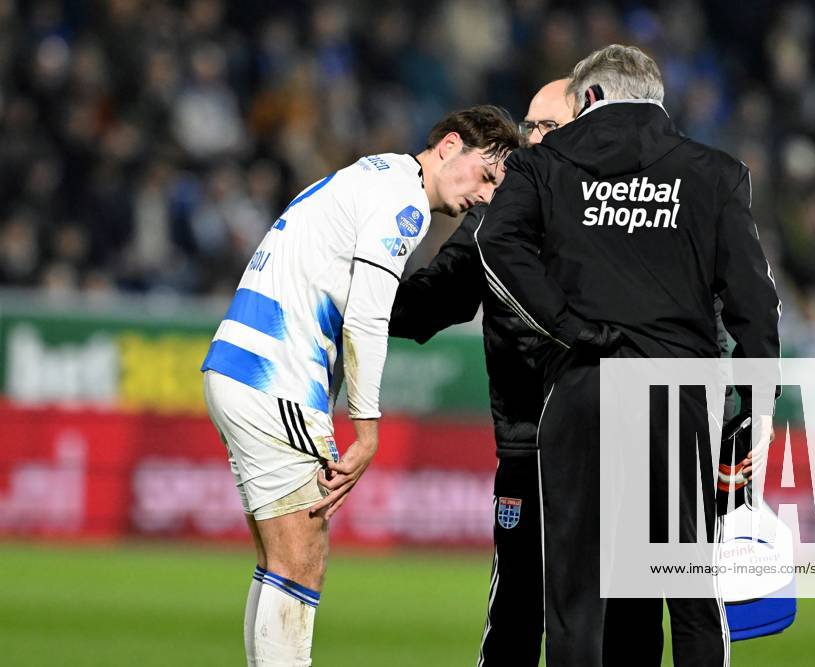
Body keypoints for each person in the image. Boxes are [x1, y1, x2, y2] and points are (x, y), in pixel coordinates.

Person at [476, 45, 781, 667]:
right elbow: (754, 301)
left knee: (574, 599)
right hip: (677, 398)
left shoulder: (545, 164)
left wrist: (569, 328)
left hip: (581, 388)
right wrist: (759, 405)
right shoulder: (716, 173)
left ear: (589, 98)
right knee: (691, 595)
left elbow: (497, 243)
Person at [200, 105, 520, 666]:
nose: (487, 195)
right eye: (486, 175)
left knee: (279, 560)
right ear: (449, 146)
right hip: (278, 377)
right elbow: (367, 318)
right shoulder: (404, 203)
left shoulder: (372, 174)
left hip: (238, 365)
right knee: (301, 561)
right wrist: (367, 430)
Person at [389, 78, 576, 667]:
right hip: (529, 446)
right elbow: (429, 302)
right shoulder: (501, 216)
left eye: (546, 126)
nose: (531, 139)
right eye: (529, 127)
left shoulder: (627, 214)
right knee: (517, 617)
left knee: (600, 624)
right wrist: (356, 286)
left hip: (607, 447)